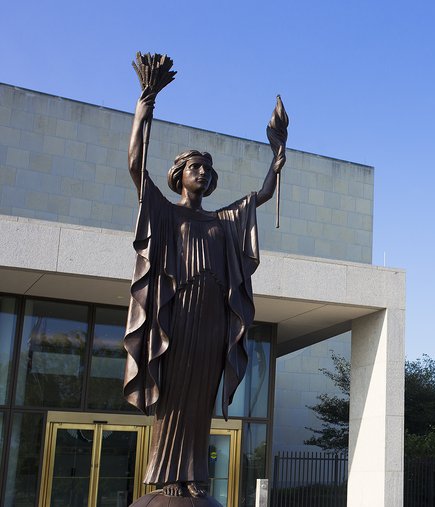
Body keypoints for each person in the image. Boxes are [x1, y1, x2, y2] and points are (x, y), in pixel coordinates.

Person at [122, 86, 286, 498]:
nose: (202, 173)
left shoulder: (222, 220)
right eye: (195, 167)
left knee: (200, 400)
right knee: (176, 396)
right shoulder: (164, 210)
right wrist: (145, 105)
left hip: (213, 315)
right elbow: (135, 164)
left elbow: (261, 196)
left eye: (207, 171)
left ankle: (193, 476)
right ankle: (166, 475)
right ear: (180, 173)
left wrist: (277, 154)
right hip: (179, 314)